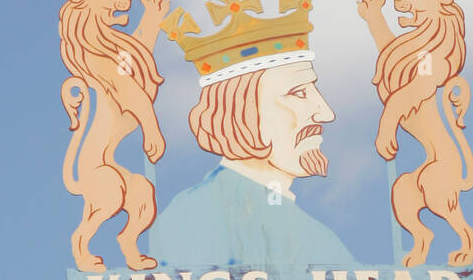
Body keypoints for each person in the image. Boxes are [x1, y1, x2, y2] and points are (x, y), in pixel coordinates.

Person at [148, 55, 356, 268]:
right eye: (299, 93)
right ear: (241, 112)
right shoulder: (192, 220)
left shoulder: (319, 240)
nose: (326, 113)